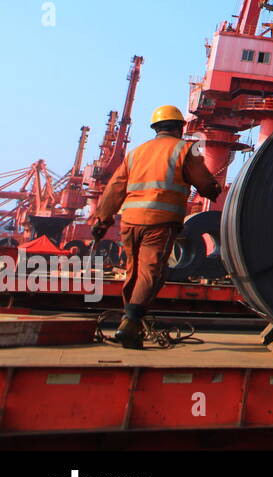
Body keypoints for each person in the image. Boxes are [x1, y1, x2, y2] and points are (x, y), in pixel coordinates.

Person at [92, 105, 221, 348]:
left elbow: (114, 188)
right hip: (159, 221)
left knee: (133, 271)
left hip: (130, 221)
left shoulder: (136, 153)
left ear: (155, 128)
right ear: (179, 127)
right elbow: (204, 182)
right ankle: (130, 322)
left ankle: (131, 324)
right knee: (152, 272)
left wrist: (101, 221)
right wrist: (213, 190)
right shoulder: (184, 148)